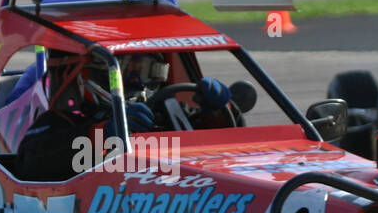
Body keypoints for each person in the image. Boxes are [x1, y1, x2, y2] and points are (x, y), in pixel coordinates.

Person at [14, 50, 231, 180]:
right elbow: (30, 165)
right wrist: (105, 136)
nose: (137, 82)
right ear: (94, 73)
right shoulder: (63, 121)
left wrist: (216, 112)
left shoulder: (170, 113)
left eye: (148, 71)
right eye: (127, 73)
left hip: (185, 200)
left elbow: (227, 158)